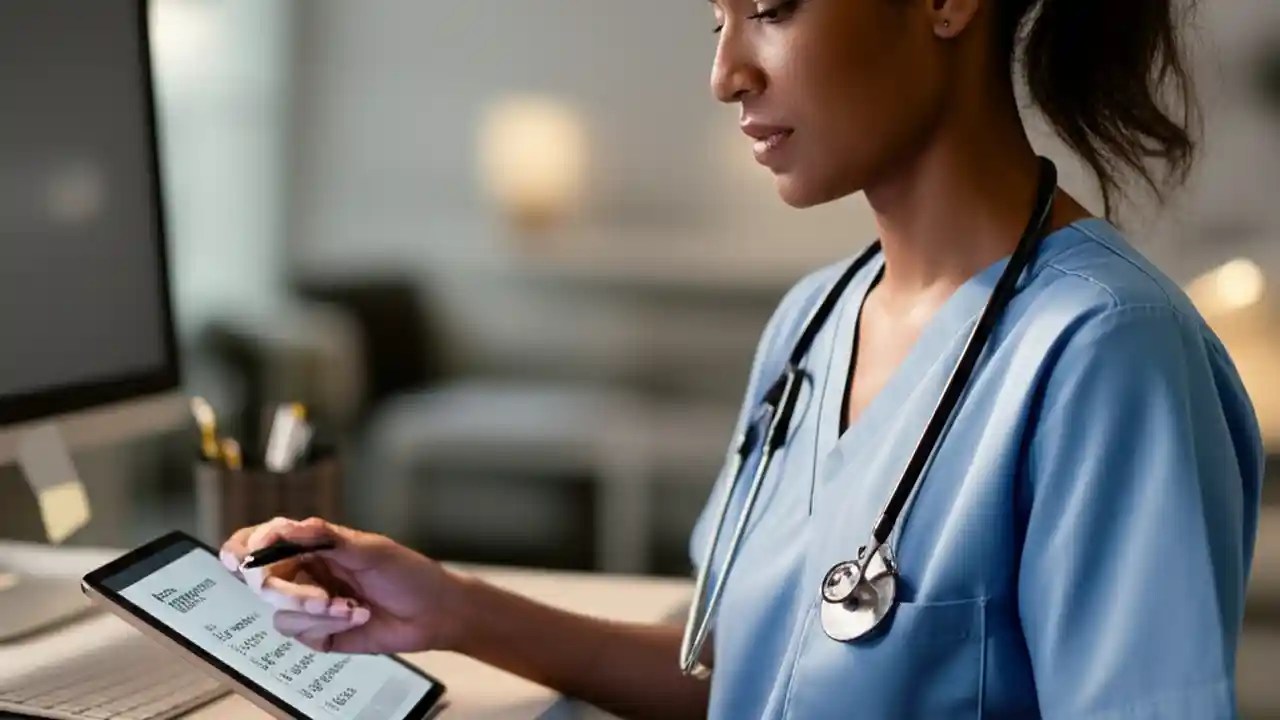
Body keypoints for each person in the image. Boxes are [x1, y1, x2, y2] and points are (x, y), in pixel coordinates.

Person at [221, 0, 1266, 717]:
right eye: (715, 21)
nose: (725, 73)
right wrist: (446, 606)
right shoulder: (812, 321)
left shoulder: (1102, 354)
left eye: (771, 10)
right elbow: (730, 676)